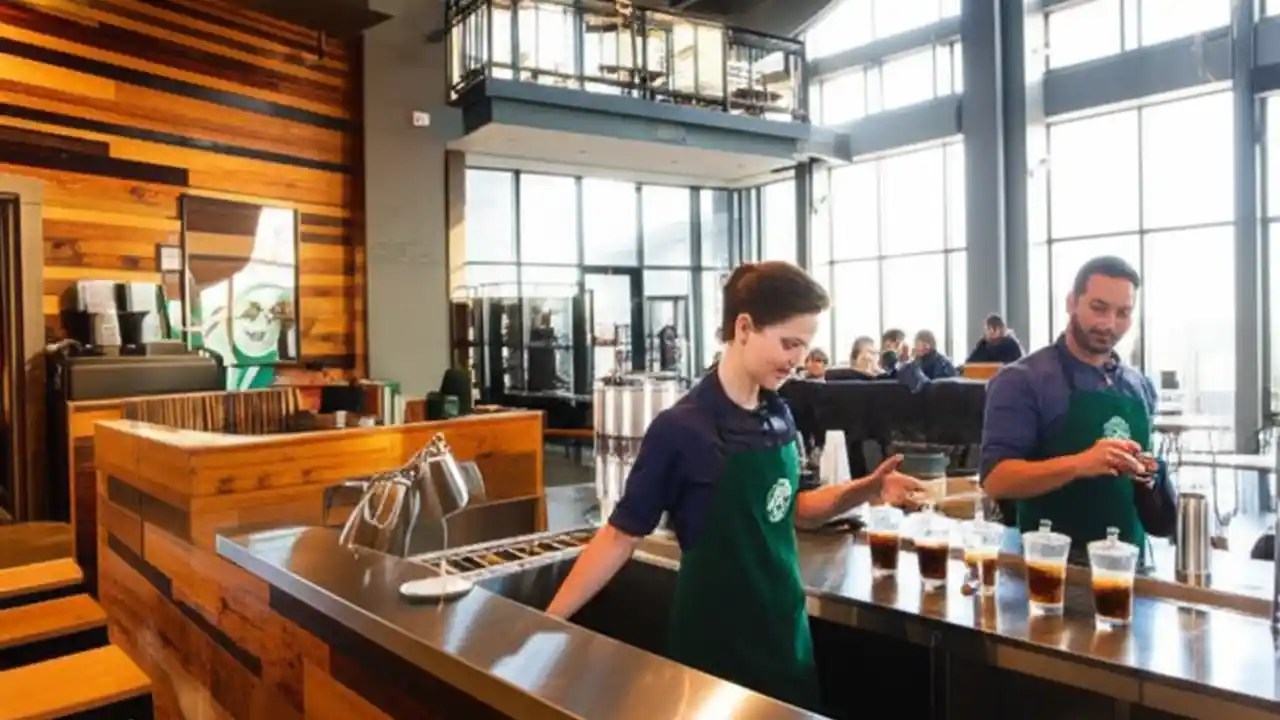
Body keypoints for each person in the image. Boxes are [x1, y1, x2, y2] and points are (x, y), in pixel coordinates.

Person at [545, 261, 925, 711]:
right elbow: (619, 536)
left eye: (805, 347)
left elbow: (791, 508)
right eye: (789, 344)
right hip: (715, 652)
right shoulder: (682, 430)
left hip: (785, 639)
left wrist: (868, 489)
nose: (798, 360)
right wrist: (549, 623)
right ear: (743, 328)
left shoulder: (780, 413)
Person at [980, 256, 1172, 564]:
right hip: (1051, 568)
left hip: (1130, 566)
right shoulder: (1022, 381)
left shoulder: (1139, 386)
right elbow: (996, 479)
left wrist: (1148, 477)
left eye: (1122, 313)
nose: (1109, 324)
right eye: (1099, 308)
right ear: (1072, 302)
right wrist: (1081, 463)